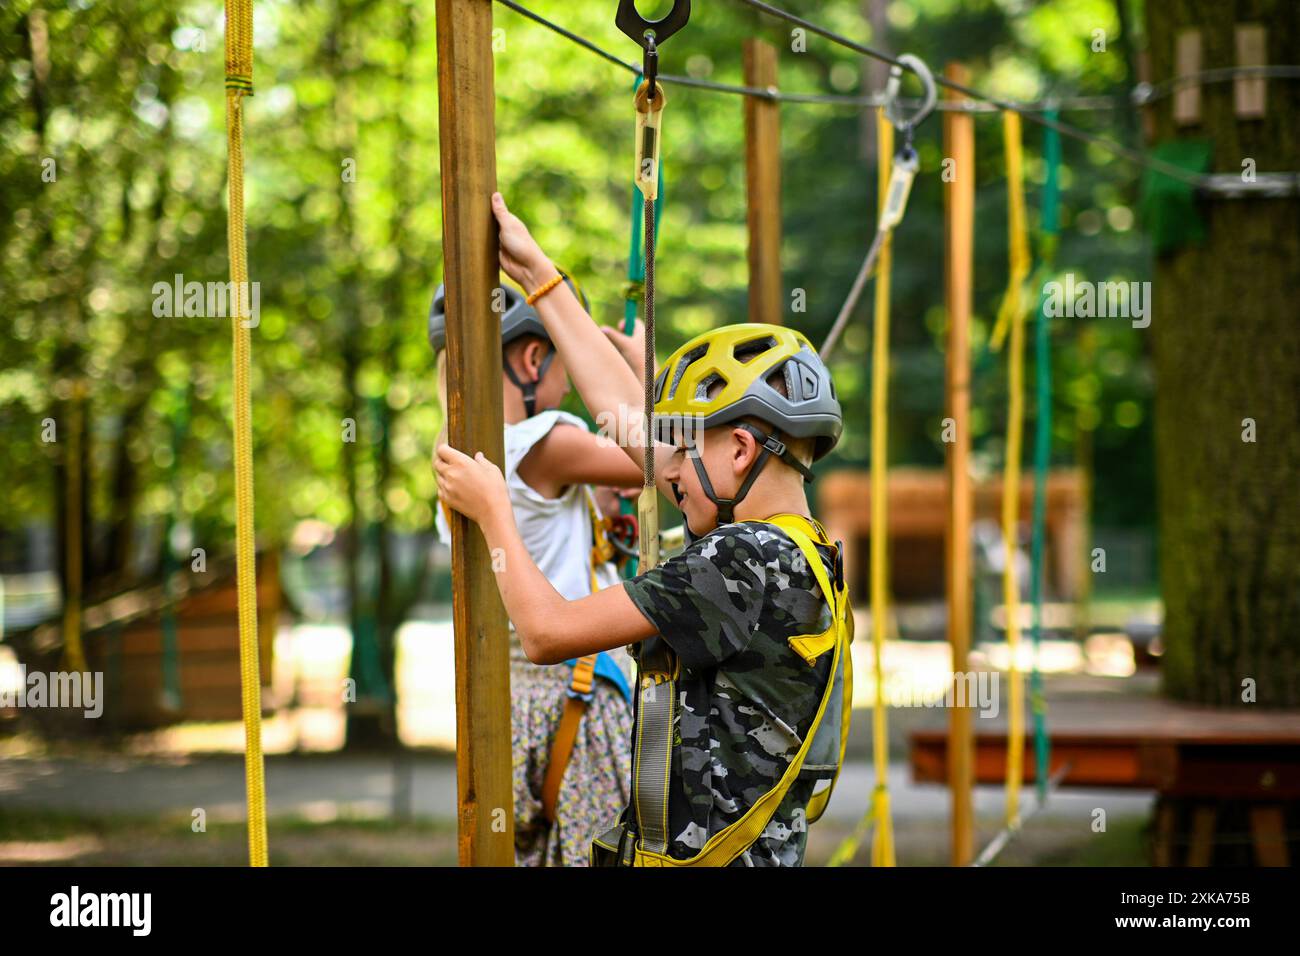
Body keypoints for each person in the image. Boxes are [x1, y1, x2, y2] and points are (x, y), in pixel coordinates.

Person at [434, 193, 853, 867]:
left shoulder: (737, 563)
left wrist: (495, 515)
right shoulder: (797, 551)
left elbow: (547, 633)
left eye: (686, 449)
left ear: (742, 452)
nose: (667, 467)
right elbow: (629, 423)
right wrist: (544, 282)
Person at [429, 274, 646, 867]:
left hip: (506, 713)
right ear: (531, 358)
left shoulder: (456, 465)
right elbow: (667, 459)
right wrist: (636, 367)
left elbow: (561, 526)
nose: (571, 384)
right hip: (581, 708)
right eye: (567, 366)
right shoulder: (551, 440)